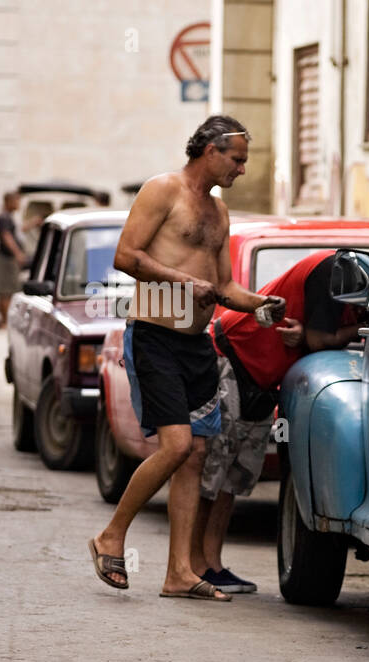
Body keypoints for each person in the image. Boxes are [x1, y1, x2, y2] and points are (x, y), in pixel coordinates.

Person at [87, 115, 285, 601]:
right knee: (176, 447)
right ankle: (110, 535)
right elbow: (125, 256)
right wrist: (181, 282)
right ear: (210, 150)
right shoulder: (163, 190)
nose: (241, 170)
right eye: (237, 159)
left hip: (198, 345)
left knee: (196, 454)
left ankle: (178, 572)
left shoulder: (219, 214)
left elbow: (225, 287)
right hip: (155, 337)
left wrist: (261, 305)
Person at [190, 249, 367, 593]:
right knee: (212, 472)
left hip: (261, 382)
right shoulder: (330, 273)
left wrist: (314, 336)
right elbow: (318, 340)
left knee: (233, 478)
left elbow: (310, 338)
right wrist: (355, 329)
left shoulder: (350, 285)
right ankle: (192, 565)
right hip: (232, 358)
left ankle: (212, 564)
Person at [0, 191, 35, 327]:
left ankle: (5, 321)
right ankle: (5, 322)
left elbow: (17, 231)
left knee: (9, 290)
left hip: (9, 259)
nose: (19, 204)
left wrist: (33, 223)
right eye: (17, 201)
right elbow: (7, 237)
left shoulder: (9, 218)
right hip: (6, 259)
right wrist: (18, 254)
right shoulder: (4, 217)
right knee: (6, 290)